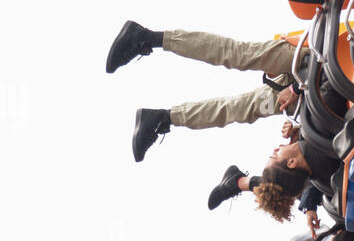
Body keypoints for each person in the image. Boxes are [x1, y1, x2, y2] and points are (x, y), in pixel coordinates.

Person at [104, 20, 304, 161]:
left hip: (306, 91)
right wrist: (296, 88)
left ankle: (162, 118)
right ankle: (146, 38)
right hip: (311, 57)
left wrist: (296, 127)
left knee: (240, 109)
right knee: (238, 55)